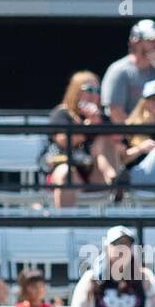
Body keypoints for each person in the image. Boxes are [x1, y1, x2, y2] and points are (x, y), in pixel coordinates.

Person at [42, 71, 121, 209]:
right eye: (89, 90)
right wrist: (88, 127)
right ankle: (67, 226)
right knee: (66, 173)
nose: (94, 95)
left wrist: (99, 124)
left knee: (104, 139)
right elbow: (63, 140)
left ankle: (115, 179)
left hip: (96, 174)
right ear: (76, 91)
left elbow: (120, 146)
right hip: (67, 169)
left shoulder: (103, 118)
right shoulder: (62, 113)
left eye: (97, 90)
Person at [101, 19, 155, 124]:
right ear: (135, 42)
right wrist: (139, 137)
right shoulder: (119, 70)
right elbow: (116, 114)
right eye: (151, 40)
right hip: (129, 136)